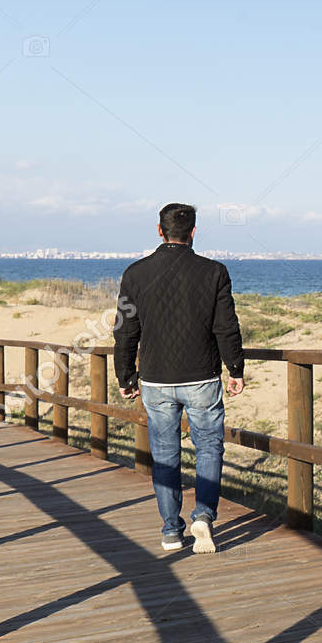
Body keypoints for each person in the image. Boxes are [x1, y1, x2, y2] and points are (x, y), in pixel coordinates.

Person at [114, 203, 245, 554]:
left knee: (165, 453)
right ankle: (203, 514)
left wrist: (126, 375)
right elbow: (226, 327)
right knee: (208, 446)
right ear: (193, 232)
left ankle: (172, 531)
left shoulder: (136, 274)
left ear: (159, 230)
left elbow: (125, 331)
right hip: (202, 376)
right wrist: (236, 369)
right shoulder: (214, 272)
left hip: (156, 379)